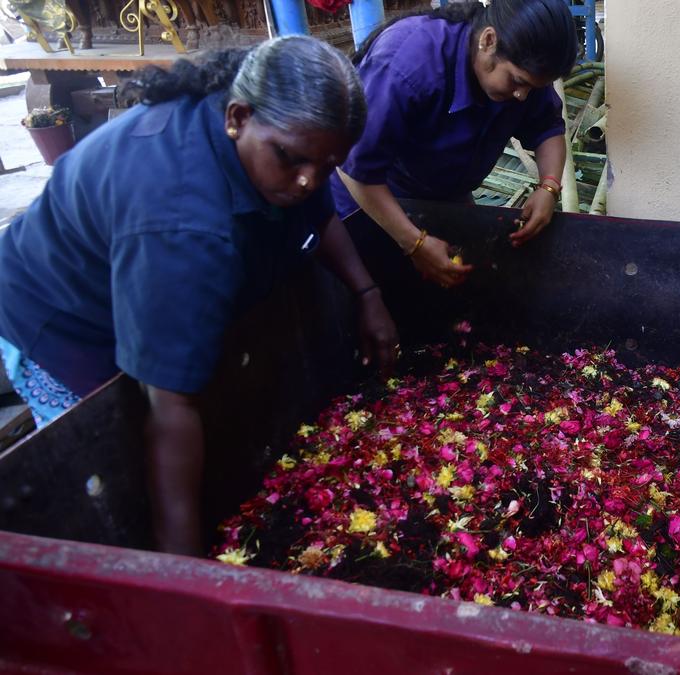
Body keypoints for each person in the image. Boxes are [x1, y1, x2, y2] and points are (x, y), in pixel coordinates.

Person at [0, 36, 398, 556]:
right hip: (62, 320)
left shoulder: (284, 141)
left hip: (153, 280)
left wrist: (367, 293)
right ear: (237, 117)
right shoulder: (183, 221)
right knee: (115, 479)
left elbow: (318, 212)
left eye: (327, 166)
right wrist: (186, 572)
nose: (307, 181)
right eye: (293, 160)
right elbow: (171, 407)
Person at [333, 0, 579, 289]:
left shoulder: (524, 68)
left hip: (444, 195)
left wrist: (549, 186)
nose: (522, 96)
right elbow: (354, 168)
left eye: (532, 88)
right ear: (488, 41)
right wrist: (414, 242)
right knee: (371, 294)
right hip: (368, 200)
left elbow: (547, 127)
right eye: (516, 81)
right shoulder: (407, 64)